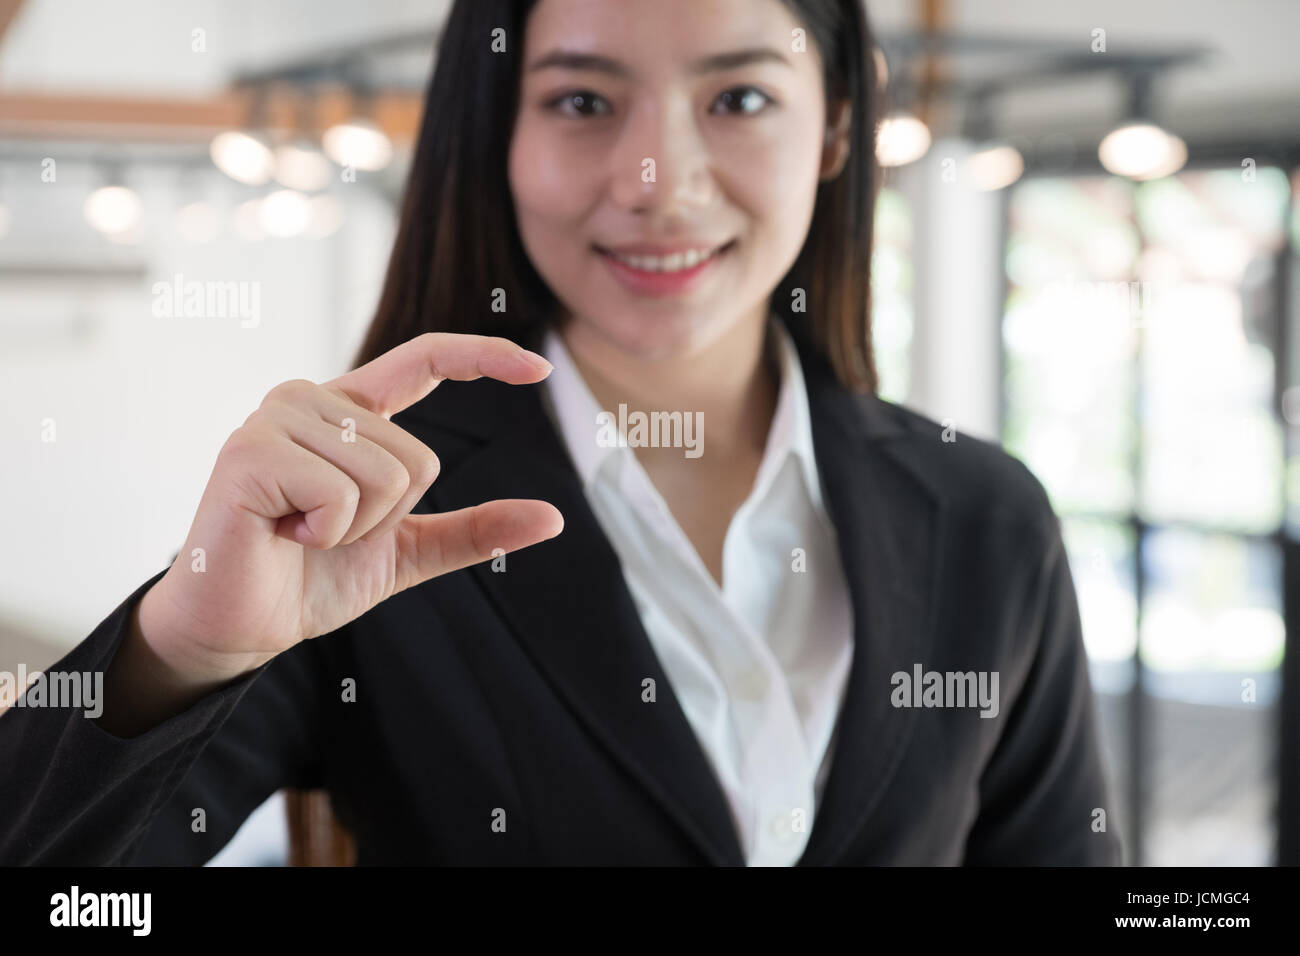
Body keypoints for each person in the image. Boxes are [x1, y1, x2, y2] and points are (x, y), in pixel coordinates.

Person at [0, 0, 1122, 866]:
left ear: (834, 126)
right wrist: (183, 653)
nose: (661, 186)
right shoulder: (364, 515)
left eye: (738, 99)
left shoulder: (983, 514)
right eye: (583, 102)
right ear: (497, 136)